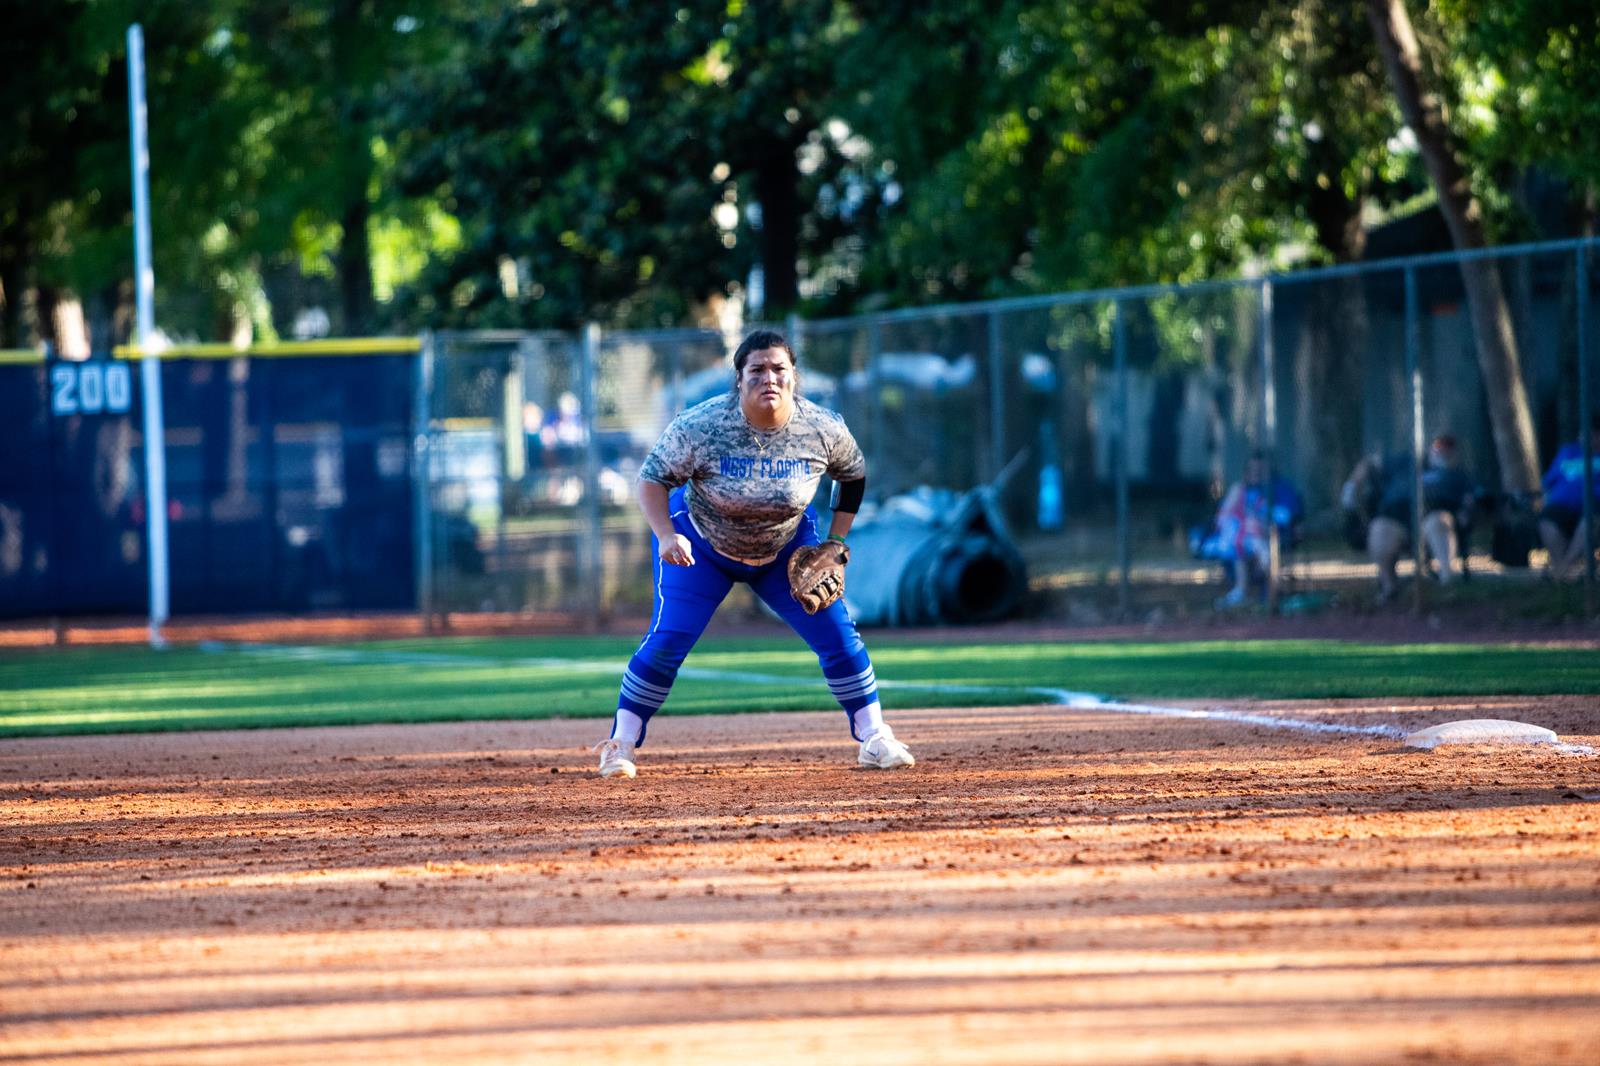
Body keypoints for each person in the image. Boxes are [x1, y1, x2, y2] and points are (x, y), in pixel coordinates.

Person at [593, 329, 915, 779]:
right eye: (757, 370)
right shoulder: (702, 424)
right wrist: (666, 534)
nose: (770, 378)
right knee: (668, 640)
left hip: (785, 546)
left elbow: (853, 476)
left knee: (839, 636)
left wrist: (838, 541)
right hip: (700, 543)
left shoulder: (821, 427)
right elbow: (651, 480)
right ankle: (620, 743)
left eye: (779, 369)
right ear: (739, 378)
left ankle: (875, 736)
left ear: (794, 376)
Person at [1357, 434, 1480, 601]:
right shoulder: (1406, 464)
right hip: (1398, 519)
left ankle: (1447, 585)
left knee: (1438, 521)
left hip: (1433, 518)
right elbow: (1370, 462)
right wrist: (1352, 486)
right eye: (1439, 446)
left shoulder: (1458, 475)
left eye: (1448, 448)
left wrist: (1467, 514)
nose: (1443, 451)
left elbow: (1470, 500)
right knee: (1379, 527)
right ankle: (1389, 586)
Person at [1196, 452, 1303, 607]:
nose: (1256, 474)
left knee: (1253, 540)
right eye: (1252, 470)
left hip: (1274, 535)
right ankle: (1245, 590)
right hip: (1244, 539)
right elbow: (1223, 518)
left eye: (1260, 469)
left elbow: (1289, 518)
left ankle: (1267, 589)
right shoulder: (1241, 490)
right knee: (1243, 540)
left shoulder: (1280, 488)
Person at [1538, 414, 1600, 580]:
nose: (1583, 437)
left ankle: (1562, 571)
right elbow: (1547, 482)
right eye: (1582, 433)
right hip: (1562, 507)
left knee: (1588, 522)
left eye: (1590, 434)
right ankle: (1565, 572)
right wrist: (1546, 499)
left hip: (1593, 507)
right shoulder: (1568, 452)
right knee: (1548, 522)